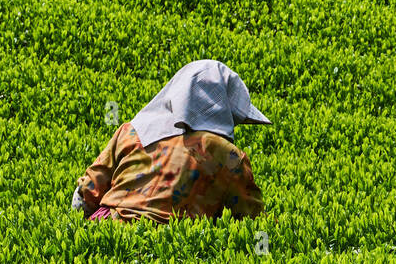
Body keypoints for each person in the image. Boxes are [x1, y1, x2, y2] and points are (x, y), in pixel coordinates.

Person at [72, 59, 270, 225]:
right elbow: (253, 219)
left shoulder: (133, 131)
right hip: (169, 241)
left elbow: (85, 194)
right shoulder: (228, 156)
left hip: (105, 226)